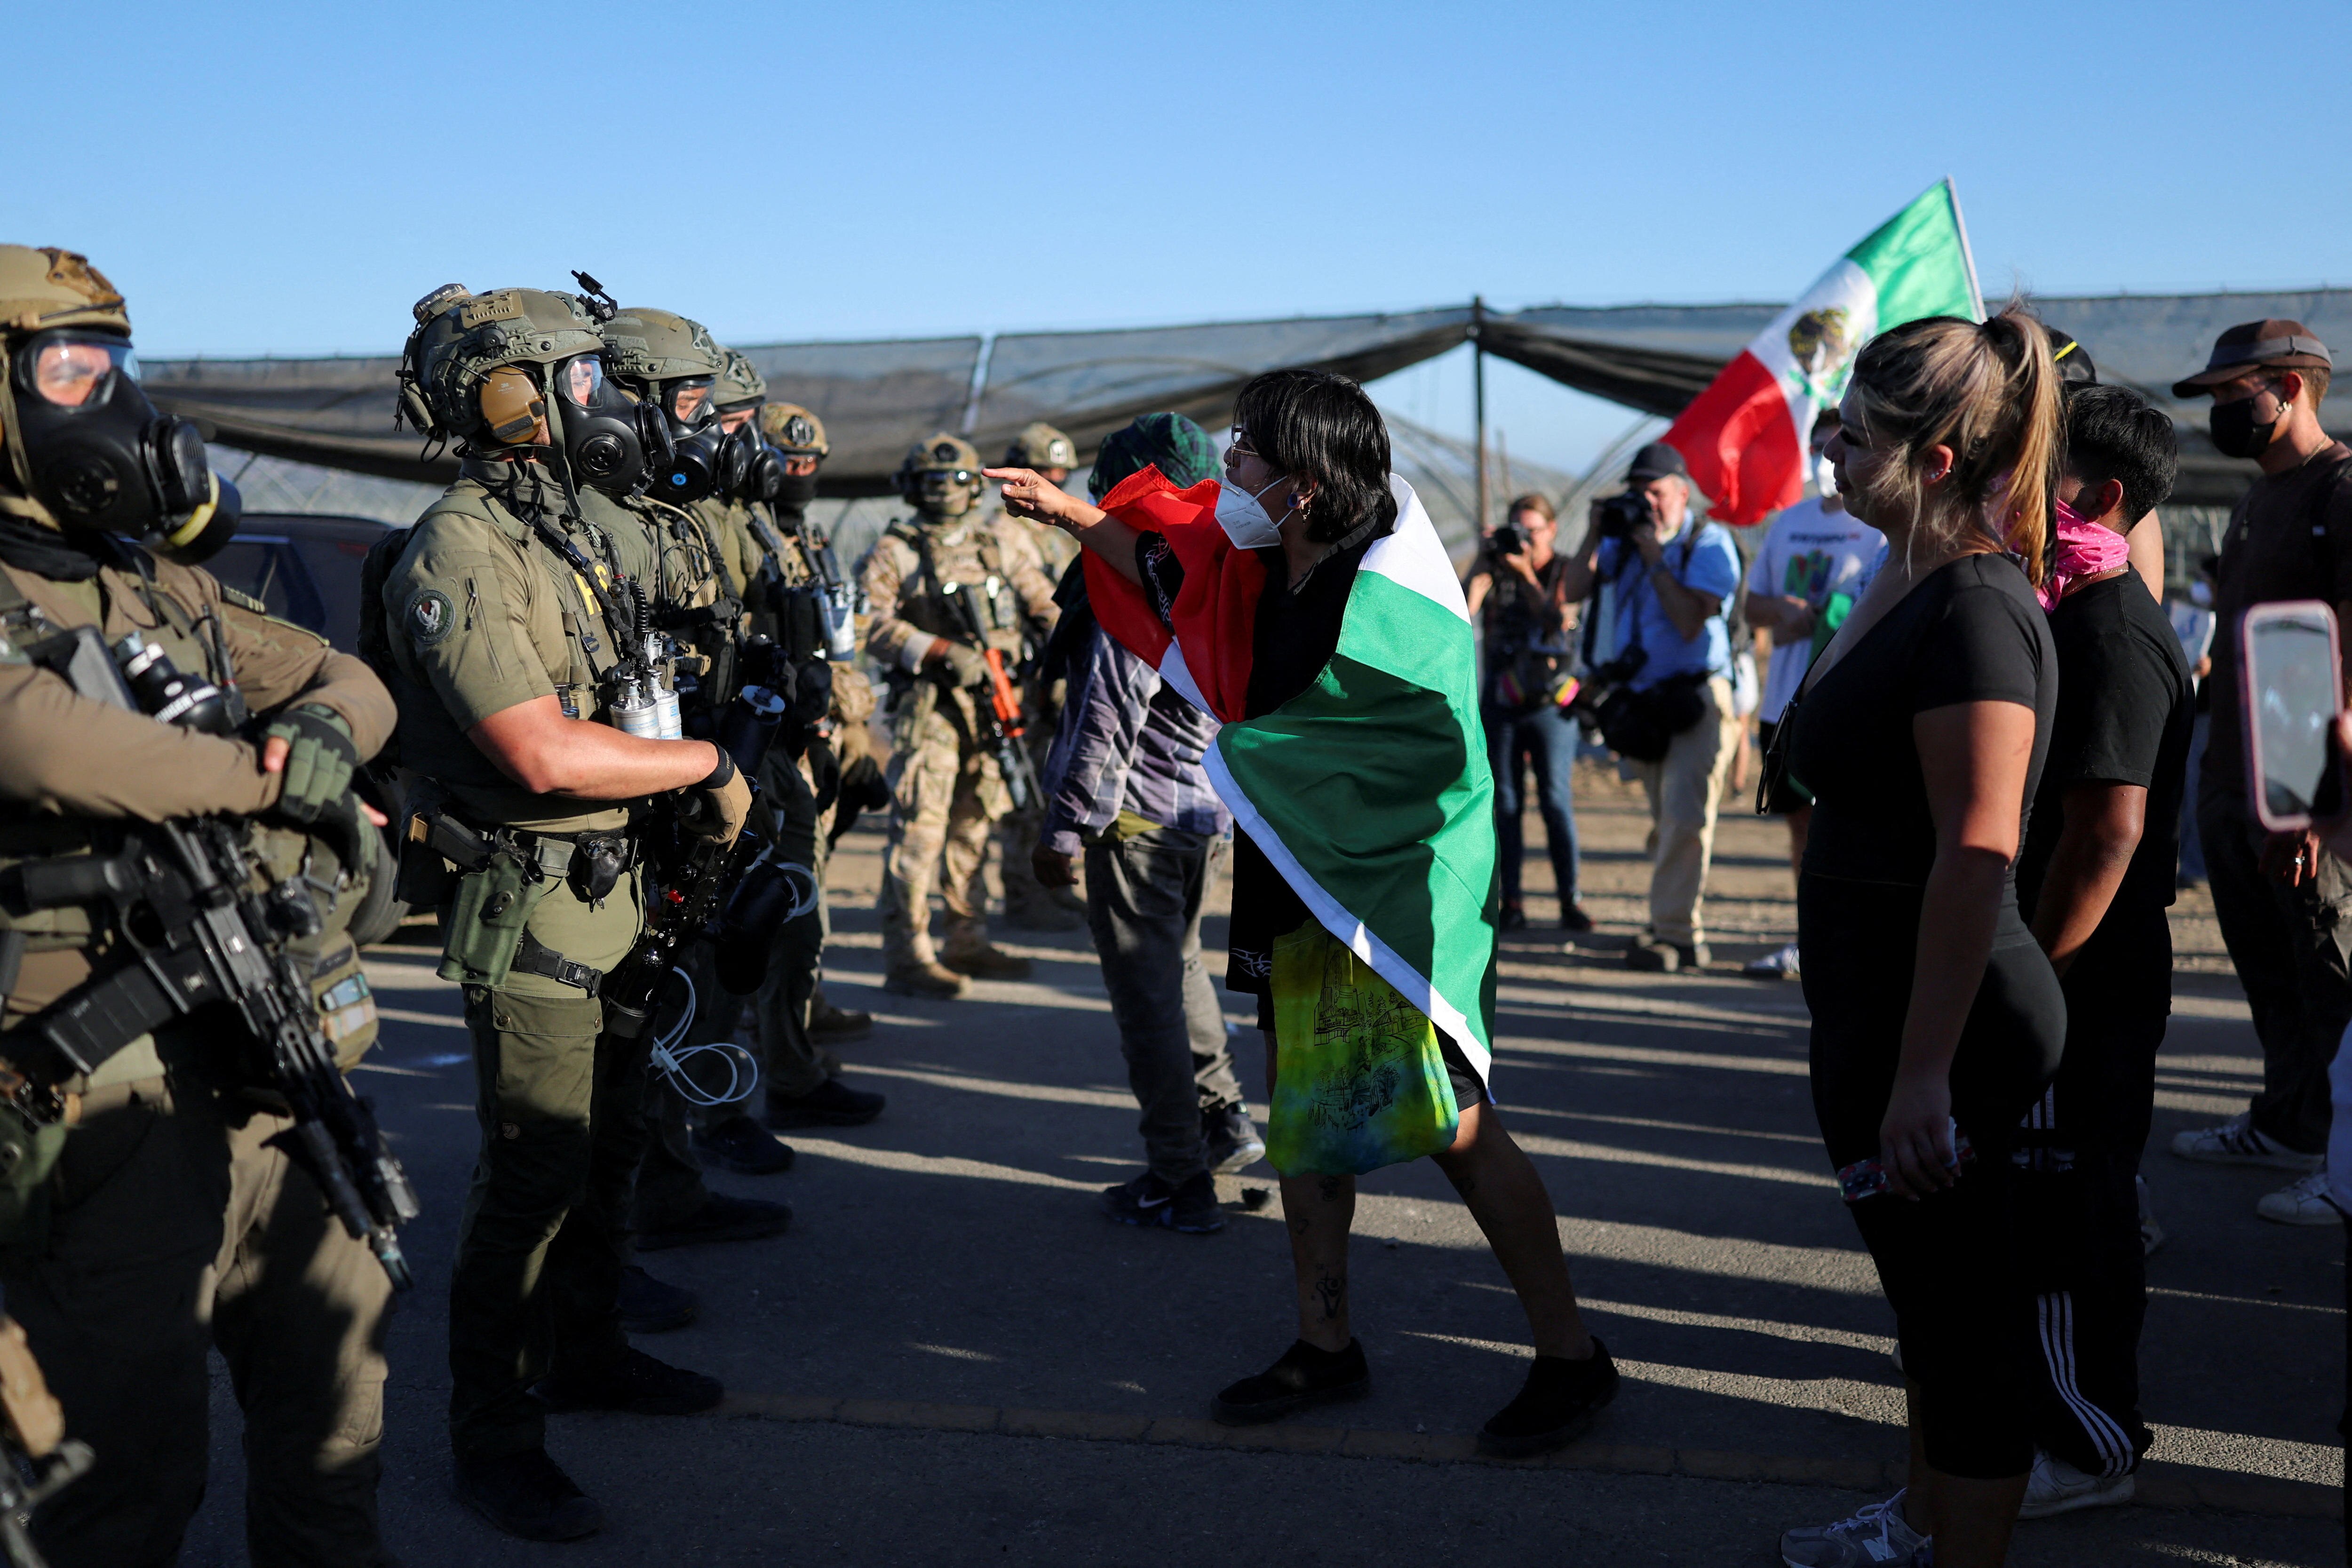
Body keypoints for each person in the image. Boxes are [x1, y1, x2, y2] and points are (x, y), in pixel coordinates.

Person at [989, 368, 1617, 1462]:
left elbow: (1417, 751)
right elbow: (1156, 558)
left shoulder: (1388, 600)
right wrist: (1064, 510)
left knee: (1453, 1128)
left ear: (1307, 485)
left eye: (1246, 455)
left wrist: (1256, 758)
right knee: (1301, 1121)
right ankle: (1324, 1341)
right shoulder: (1251, 563)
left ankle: (1572, 1356)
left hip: (1380, 896)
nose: (1225, 471)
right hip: (1291, 877)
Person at [0, 245, 398, 1567]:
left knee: (335, 1401)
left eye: (111, 362)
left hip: (257, 1056)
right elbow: (45, 744)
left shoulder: (151, 580)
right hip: (87, 1093)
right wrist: (268, 783)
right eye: (66, 365)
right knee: (118, 1470)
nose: (105, 399)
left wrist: (327, 736)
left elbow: (345, 670)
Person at [377, 283, 748, 1540]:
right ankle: (496, 1436)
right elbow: (540, 751)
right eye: (579, 380)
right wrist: (705, 768)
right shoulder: (461, 548)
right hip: (530, 900)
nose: (606, 403)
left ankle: (588, 1351)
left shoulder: (561, 535)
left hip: (615, 885)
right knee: (530, 1174)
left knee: (609, 1142)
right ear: (508, 398)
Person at [1774, 308, 2064, 1568]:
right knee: (1926, 1306)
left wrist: (1925, 1073)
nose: (1827, 452)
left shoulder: (1977, 615)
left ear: (1934, 458)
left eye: (1851, 435)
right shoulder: (1901, 571)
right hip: (1883, 1013)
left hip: (1942, 1023)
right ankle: (1917, 1525)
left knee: (1964, 1323)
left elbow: (1977, 850)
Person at [572, 304, 796, 1257]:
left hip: (688, 776)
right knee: (630, 1022)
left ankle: (664, 1189)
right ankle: (618, 1237)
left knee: (684, 983)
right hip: (630, 798)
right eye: (691, 402)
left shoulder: (662, 514)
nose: (709, 425)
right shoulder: (587, 520)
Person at [2012, 383, 2191, 1518]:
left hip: (2084, 979)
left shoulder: (2112, 631)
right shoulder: (2072, 607)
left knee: (2067, 1207)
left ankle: (2084, 1442)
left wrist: (2036, 976)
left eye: (2037, 470)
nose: (2012, 489)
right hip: (2078, 973)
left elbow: (2106, 830)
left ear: (2102, 495)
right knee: (2069, 1200)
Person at [1033, 413, 1261, 1233]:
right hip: (1202, 810)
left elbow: (1103, 722)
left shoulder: (1124, 583)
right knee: (1185, 970)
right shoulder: (1204, 567)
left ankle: (1179, 1177)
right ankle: (1224, 1122)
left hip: (1137, 821)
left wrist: (1063, 832)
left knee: (1148, 1003)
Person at [2166, 320, 2352, 1226]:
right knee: (2269, 963)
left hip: (2306, 790)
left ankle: (2345, 1158)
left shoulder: (2343, 488)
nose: (2219, 415)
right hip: (2237, 775)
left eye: (2232, 395)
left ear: (2290, 385)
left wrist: (2312, 805)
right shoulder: (2255, 500)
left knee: (2331, 966)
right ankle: (2291, 1122)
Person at [859, 433, 1060, 998]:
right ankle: (909, 954)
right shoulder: (896, 548)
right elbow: (869, 624)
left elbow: (1046, 604)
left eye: (955, 480)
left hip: (995, 709)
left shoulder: (999, 543)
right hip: (931, 711)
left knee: (976, 825)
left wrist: (1053, 656)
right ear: (911, 487)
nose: (945, 490)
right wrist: (940, 651)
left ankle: (966, 937)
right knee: (920, 832)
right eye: (932, 481)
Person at [1555, 442, 1744, 971]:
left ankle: (1677, 935)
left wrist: (1655, 560)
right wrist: (1594, 532)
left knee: (1685, 820)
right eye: (1636, 494)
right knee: (1667, 821)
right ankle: (1668, 918)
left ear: (1682, 493)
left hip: (1695, 699)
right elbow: (1570, 592)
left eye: (1656, 493)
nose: (1647, 504)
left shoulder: (1708, 544)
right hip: (1643, 703)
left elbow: (1689, 621)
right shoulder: (1622, 545)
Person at [1741, 410, 1885, 980]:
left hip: (1848, 701)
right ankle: (1809, 940)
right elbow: (1753, 607)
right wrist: (1784, 612)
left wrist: (1831, 616)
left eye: (1840, 440)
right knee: (1800, 828)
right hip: (1785, 705)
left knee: (1850, 828)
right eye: (1816, 442)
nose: (1825, 454)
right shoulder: (1786, 523)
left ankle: (1852, 940)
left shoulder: (1875, 525)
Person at [1464, 493, 1589, 933]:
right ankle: (1511, 901)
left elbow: (1560, 621)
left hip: (1552, 703)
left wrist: (1523, 573)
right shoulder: (1495, 567)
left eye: (1532, 530)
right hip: (1501, 699)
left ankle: (1570, 901)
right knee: (1506, 805)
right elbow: (1463, 615)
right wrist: (1483, 566)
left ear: (1552, 530)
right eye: (1517, 528)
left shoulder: (1566, 569)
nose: (1524, 539)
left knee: (1555, 801)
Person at [994, 421, 1089, 935]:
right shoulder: (1004, 532)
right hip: (1025, 678)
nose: (1054, 478)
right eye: (1044, 470)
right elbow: (1042, 602)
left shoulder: (1058, 527)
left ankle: (1049, 891)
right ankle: (1022, 896)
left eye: (1060, 471)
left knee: (1053, 787)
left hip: (1058, 671)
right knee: (1025, 792)